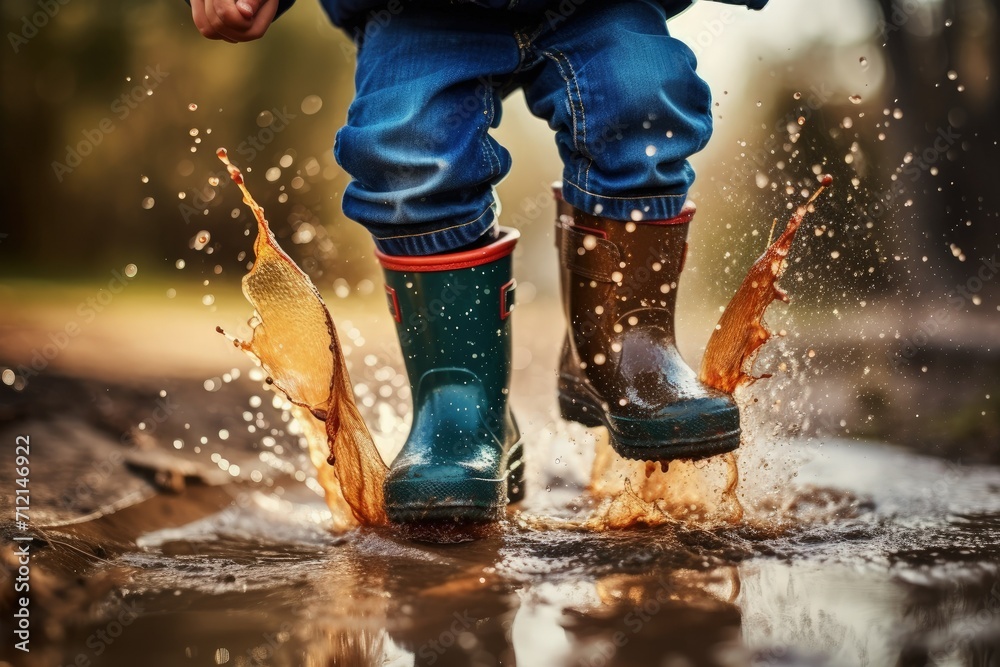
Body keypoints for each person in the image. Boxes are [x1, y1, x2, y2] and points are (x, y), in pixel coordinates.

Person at [187, 0, 767, 525]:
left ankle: (624, 348)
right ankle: (460, 410)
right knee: (408, 154)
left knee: (644, 100)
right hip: (414, 10)